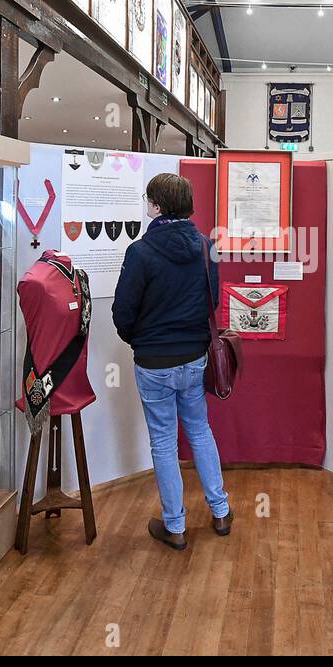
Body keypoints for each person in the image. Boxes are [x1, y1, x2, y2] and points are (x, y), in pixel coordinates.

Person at [113, 172, 231, 550]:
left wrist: (140, 339)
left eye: (148, 199)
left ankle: (176, 527)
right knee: (200, 430)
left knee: (164, 442)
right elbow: (212, 301)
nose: (145, 205)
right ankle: (221, 511)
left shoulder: (141, 252)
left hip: (154, 361)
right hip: (194, 356)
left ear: (157, 206)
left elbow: (123, 312)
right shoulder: (204, 246)